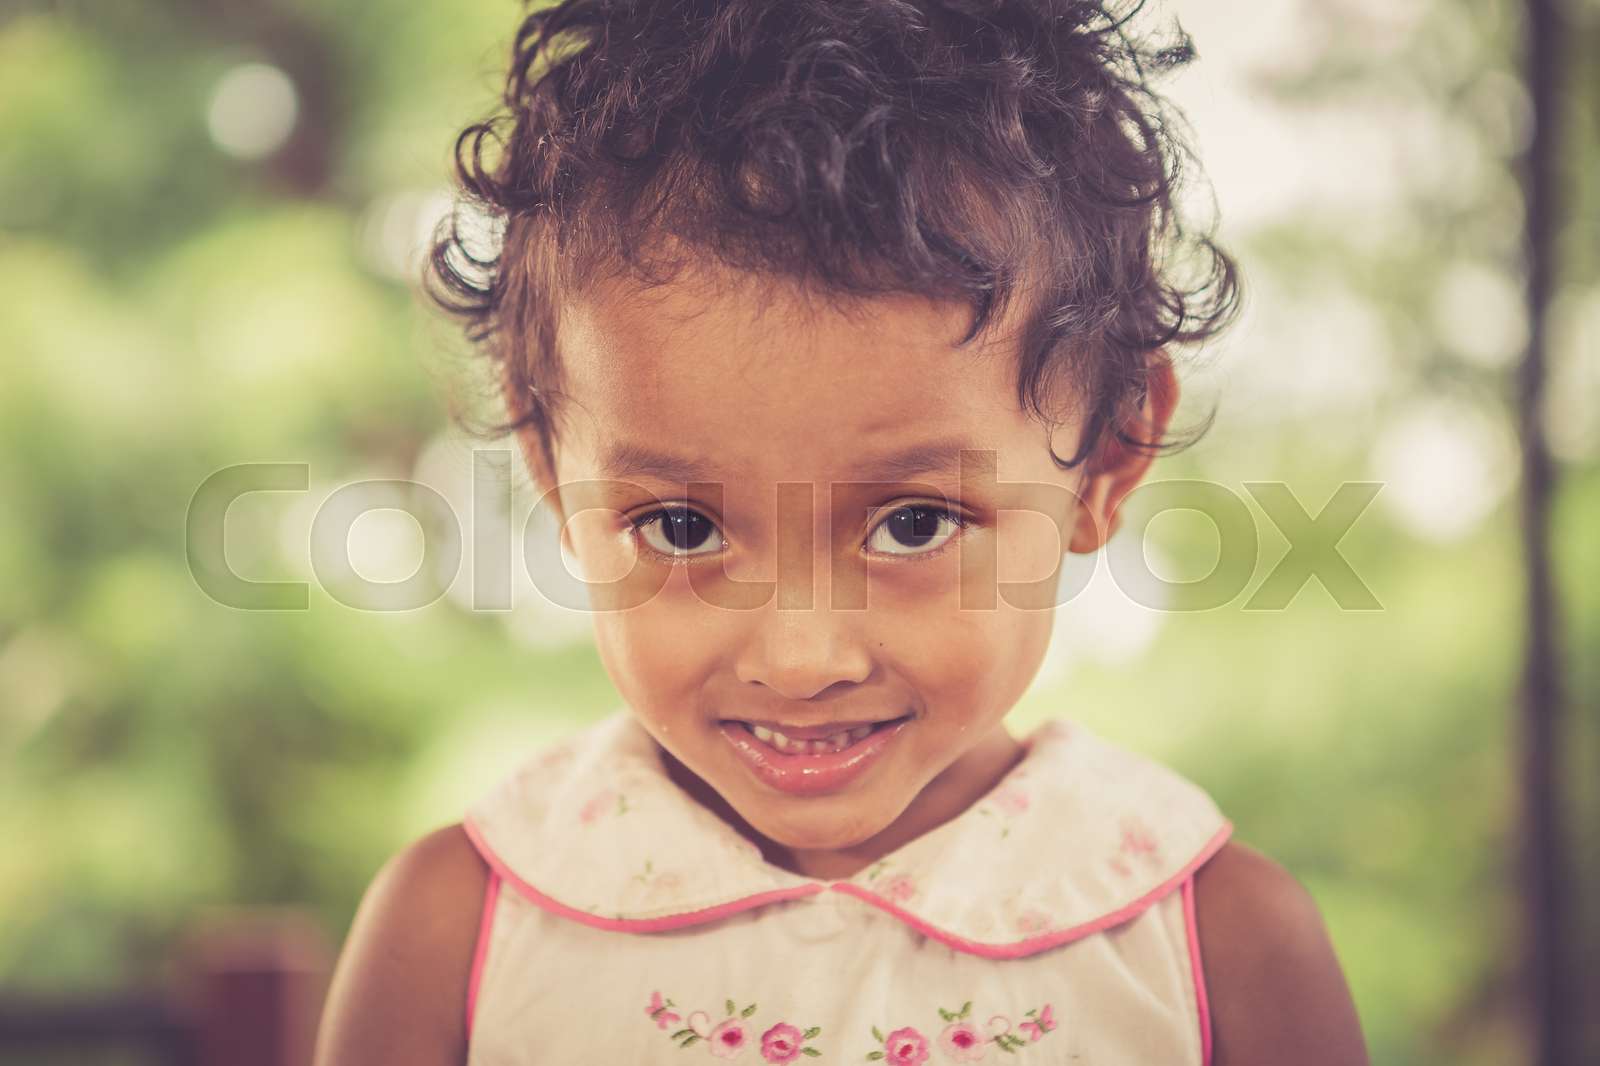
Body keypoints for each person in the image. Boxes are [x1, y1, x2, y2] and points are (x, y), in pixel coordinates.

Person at [314, 0, 1369, 1063]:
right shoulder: (455, 935)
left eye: (913, 523)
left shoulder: (1216, 950)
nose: (799, 658)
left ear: (1106, 454)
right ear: (548, 466)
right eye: (681, 525)